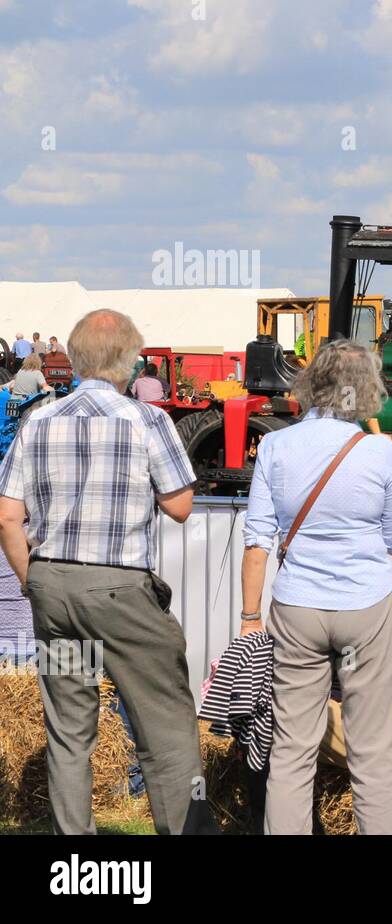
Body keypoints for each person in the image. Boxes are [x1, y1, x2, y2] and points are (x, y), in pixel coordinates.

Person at [0, 308, 213, 835]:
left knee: (69, 733)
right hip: (119, 586)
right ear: (129, 361)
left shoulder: (38, 419)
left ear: (72, 360)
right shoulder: (147, 419)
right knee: (165, 726)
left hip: (51, 582)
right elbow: (181, 505)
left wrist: (33, 582)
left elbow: (8, 516)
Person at [240, 340, 392, 835]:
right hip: (365, 605)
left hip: (297, 606)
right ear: (365, 391)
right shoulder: (379, 450)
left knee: (292, 747)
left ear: (311, 382)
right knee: (374, 750)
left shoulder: (274, 445)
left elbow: (258, 541)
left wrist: (250, 616)